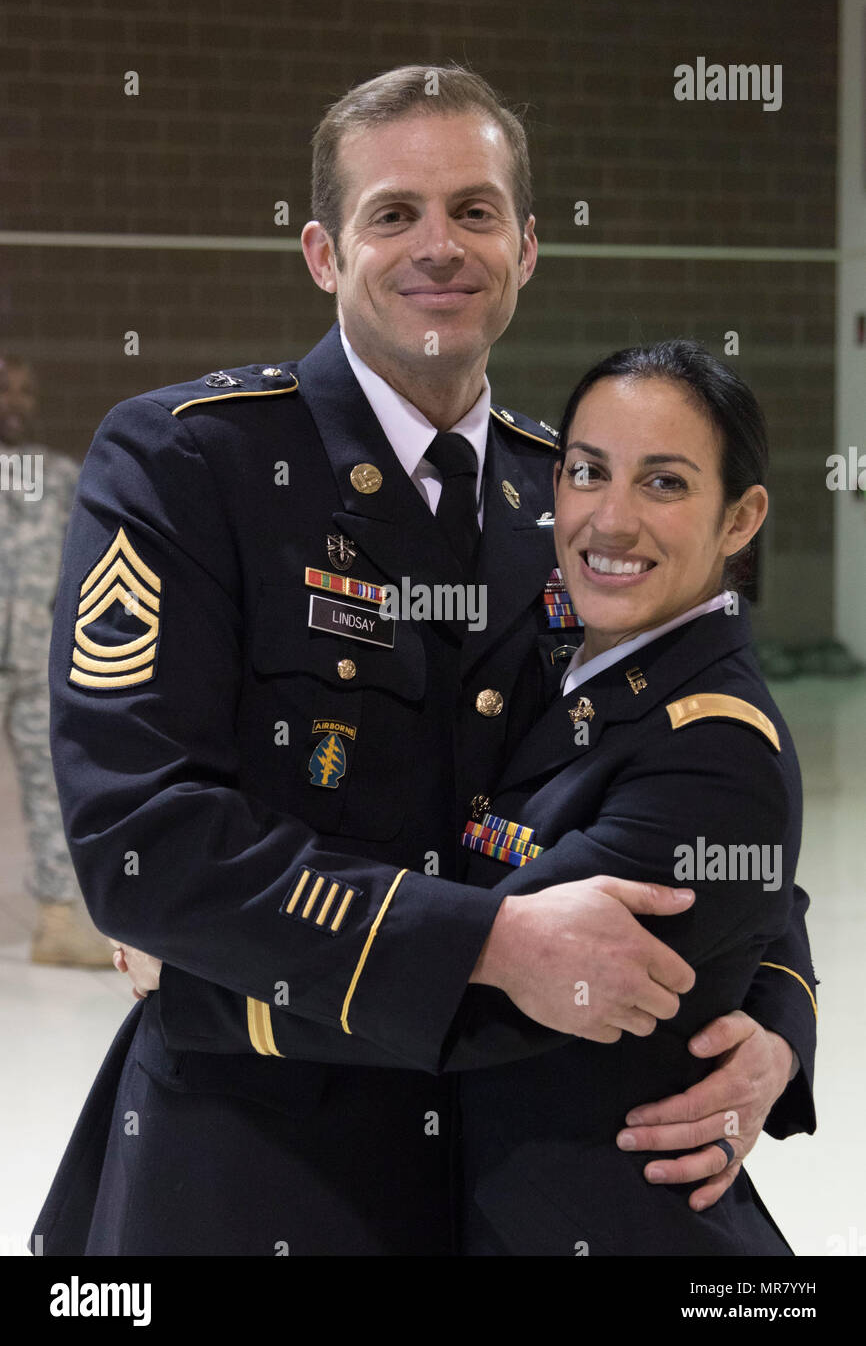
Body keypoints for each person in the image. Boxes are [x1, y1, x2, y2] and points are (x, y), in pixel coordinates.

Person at [32, 66, 815, 1257]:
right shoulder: (193, 467)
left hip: (513, 1150)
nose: (437, 247)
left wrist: (770, 1014)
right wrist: (492, 942)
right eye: (393, 213)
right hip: (260, 1134)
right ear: (321, 252)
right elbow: (144, 842)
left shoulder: (564, 488)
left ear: (528, 247)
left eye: (474, 211)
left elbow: (693, 754)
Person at [451, 341, 814, 1254]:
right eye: (589, 472)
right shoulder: (576, 644)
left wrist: (209, 962)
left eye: (665, 483)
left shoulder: (711, 750)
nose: (611, 520)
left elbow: (469, 998)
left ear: (742, 518)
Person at [0, 354, 111, 966]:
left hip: (37, 656)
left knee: (52, 787)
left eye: (24, 390)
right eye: (2, 389)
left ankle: (58, 921)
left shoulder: (57, 474)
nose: (14, 400)